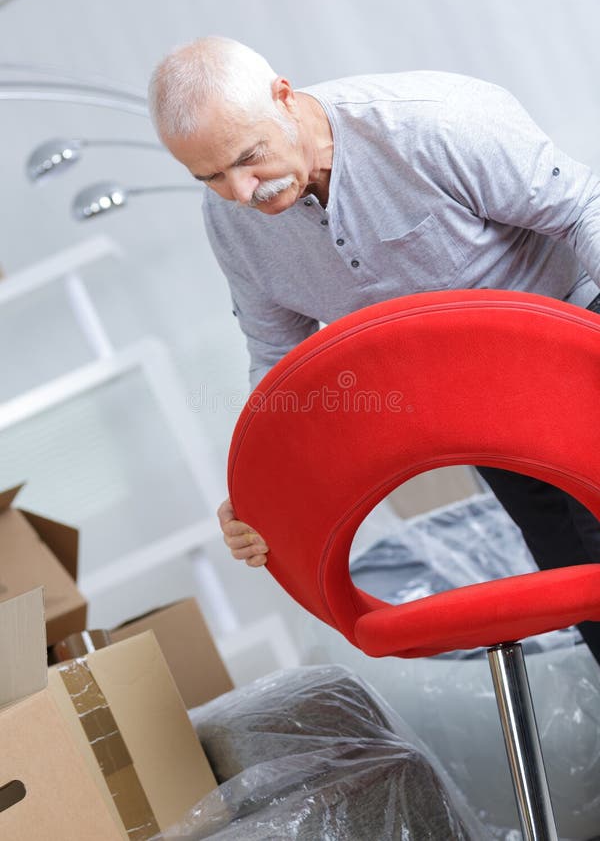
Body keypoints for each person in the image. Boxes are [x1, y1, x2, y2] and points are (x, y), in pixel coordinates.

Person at [148, 36, 600, 662]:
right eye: (210, 176)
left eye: (249, 158)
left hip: (578, 356)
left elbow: (583, 208)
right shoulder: (231, 219)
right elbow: (279, 360)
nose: (241, 189)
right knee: (582, 598)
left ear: (284, 96)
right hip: (484, 421)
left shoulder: (430, 122)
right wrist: (262, 495)